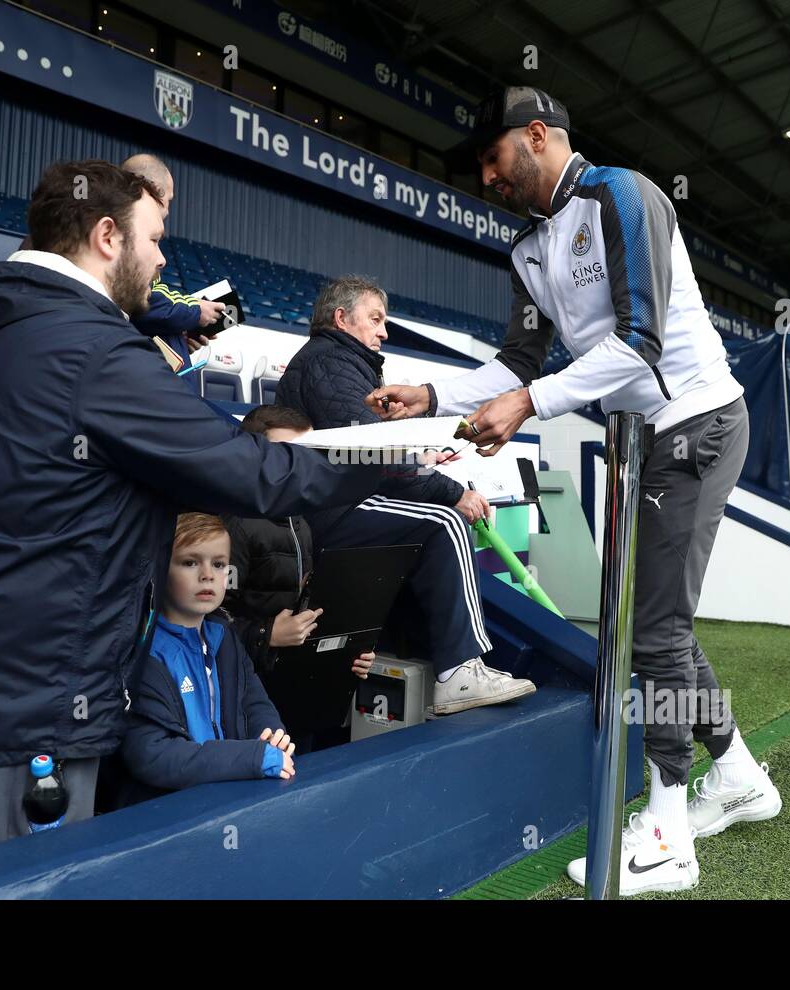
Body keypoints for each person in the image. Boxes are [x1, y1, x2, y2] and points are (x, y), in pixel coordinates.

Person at [0, 159, 385, 863]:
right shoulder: (97, 351)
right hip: (11, 714)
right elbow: (250, 473)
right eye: (155, 237)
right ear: (109, 236)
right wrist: (378, 452)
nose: (162, 258)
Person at [367, 87, 781, 895]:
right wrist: (433, 395)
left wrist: (528, 404)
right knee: (662, 627)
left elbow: (639, 341)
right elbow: (519, 361)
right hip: (645, 439)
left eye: (494, 159)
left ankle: (667, 832)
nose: (487, 177)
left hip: (697, 421)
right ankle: (734, 771)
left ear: (536, 135)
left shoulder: (623, 195)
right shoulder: (526, 251)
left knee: (654, 632)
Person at [280, 275, 536, 715]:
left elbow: (374, 448)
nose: (384, 331)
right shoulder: (327, 360)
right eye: (375, 319)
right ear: (341, 318)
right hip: (328, 511)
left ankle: (446, 664)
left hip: (333, 505)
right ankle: (459, 670)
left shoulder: (342, 364)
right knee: (446, 521)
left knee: (434, 521)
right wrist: (452, 493)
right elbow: (373, 454)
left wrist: (422, 454)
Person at [116, 513, 301, 802]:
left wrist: (271, 736)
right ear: (160, 568)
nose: (207, 575)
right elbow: (151, 754)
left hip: (227, 797)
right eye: (190, 562)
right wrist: (250, 758)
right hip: (165, 814)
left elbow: (253, 701)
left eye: (218, 564)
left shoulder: (224, 636)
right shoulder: (144, 651)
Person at [223, 405, 375, 748]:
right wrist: (266, 634)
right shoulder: (232, 524)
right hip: (245, 701)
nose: (299, 467)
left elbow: (304, 611)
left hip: (293, 691)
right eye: (286, 455)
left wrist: (346, 650)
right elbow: (207, 620)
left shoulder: (301, 522)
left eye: (307, 455)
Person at [120, 153, 226, 388]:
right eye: (169, 198)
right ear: (154, 191)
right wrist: (196, 312)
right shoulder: (125, 243)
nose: (162, 260)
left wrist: (178, 336)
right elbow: (150, 304)